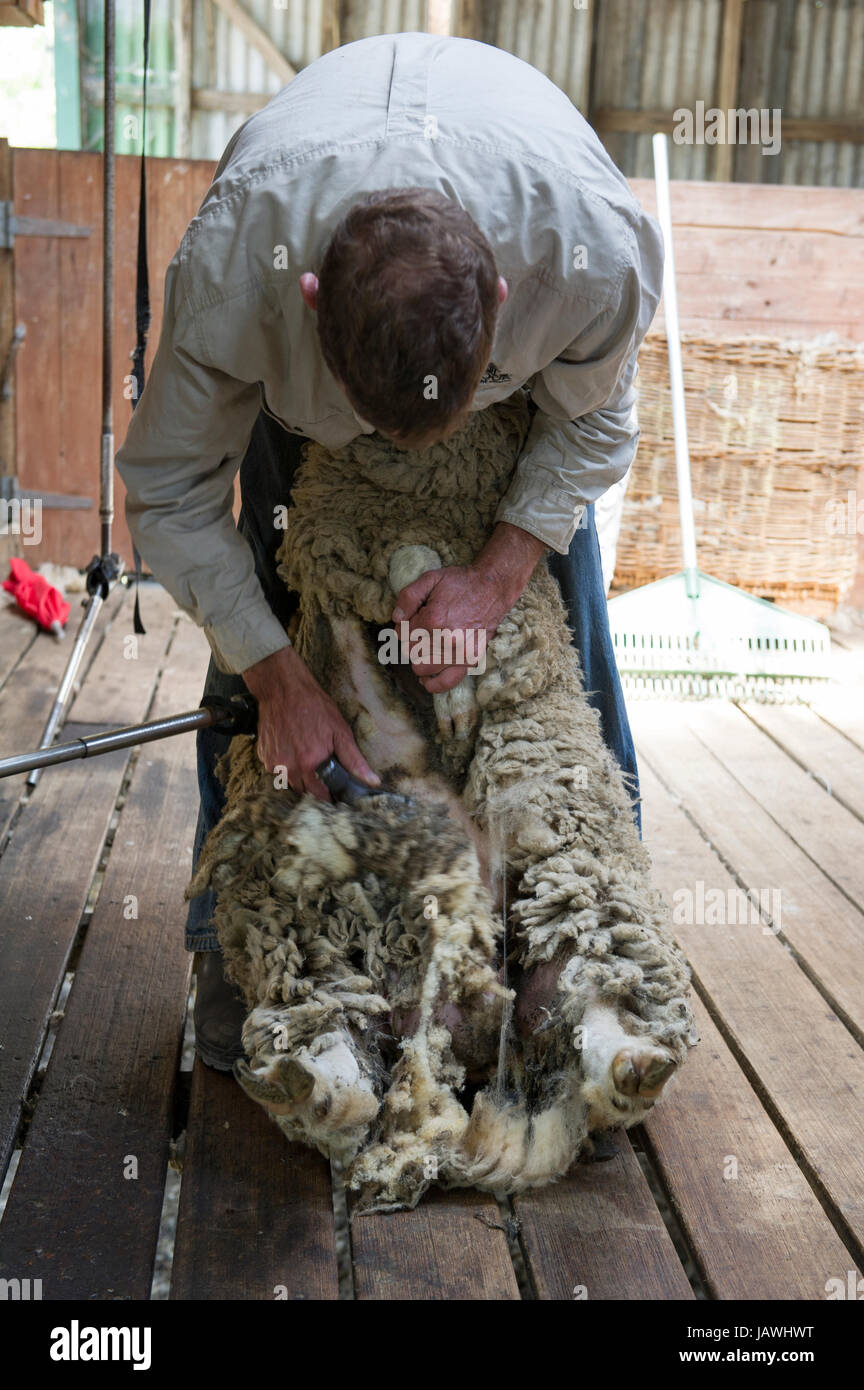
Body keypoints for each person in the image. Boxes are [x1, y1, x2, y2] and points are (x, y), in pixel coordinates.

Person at [116, 31, 664, 1071]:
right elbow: (171, 493)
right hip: (306, 418)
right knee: (269, 644)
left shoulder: (590, 250)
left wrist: (502, 571)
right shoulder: (240, 265)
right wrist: (276, 674)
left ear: (503, 298)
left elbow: (595, 425)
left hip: (517, 415)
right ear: (312, 297)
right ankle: (232, 943)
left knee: (562, 673)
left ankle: (598, 950)